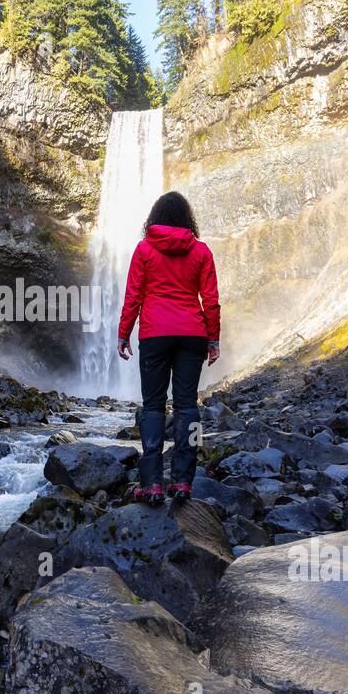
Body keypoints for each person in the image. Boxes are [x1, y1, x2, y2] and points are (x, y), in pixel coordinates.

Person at [117, 191, 220, 507]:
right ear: (188, 219)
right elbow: (211, 300)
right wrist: (213, 339)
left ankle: (152, 485)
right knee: (188, 405)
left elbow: (133, 296)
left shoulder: (144, 249)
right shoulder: (201, 251)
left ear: (155, 217)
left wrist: (124, 334)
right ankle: (183, 482)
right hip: (192, 334)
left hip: (155, 334)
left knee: (153, 406)